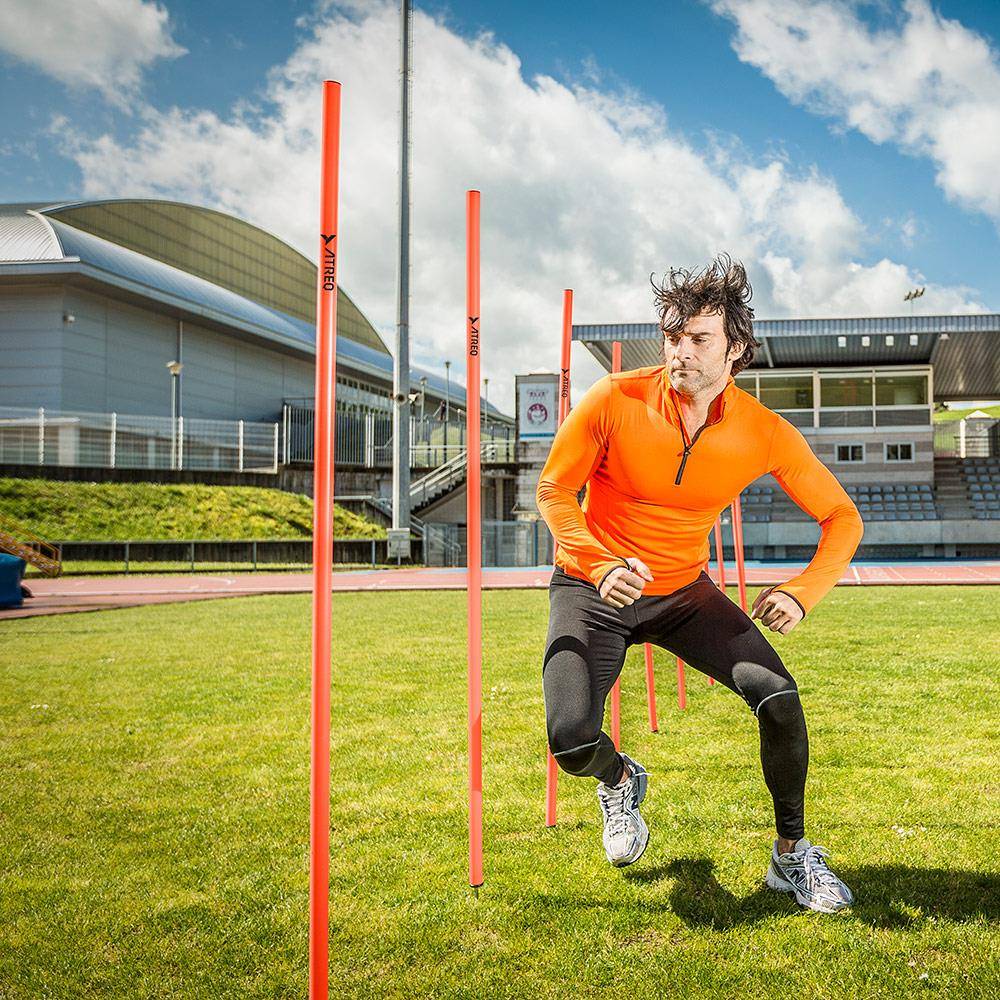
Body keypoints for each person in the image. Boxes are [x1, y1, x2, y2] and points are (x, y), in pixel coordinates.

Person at [536, 255, 864, 914]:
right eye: (672, 336)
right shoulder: (614, 398)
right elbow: (553, 491)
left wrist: (803, 590)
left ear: (735, 349)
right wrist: (601, 565)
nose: (680, 351)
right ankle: (620, 779)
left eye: (698, 338)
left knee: (778, 697)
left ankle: (791, 856)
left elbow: (842, 518)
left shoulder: (762, 431)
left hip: (684, 592)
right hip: (591, 586)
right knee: (570, 739)